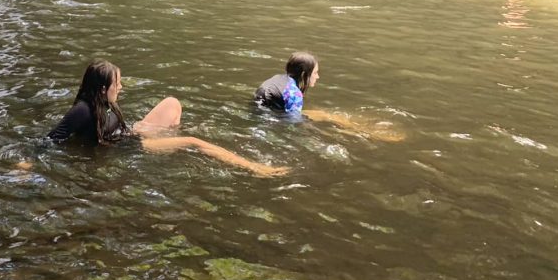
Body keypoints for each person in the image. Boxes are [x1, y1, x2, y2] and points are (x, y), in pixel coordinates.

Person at [48, 60, 289, 176]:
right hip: (129, 148)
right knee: (194, 142)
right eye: (117, 83)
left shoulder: (103, 101)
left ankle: (169, 140)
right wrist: (25, 164)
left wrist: (134, 128)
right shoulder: (82, 110)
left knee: (172, 103)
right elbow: (50, 139)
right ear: (102, 89)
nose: (120, 87)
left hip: (129, 134)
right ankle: (254, 167)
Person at [254, 53, 403, 140]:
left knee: (319, 116)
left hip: (259, 110)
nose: (318, 77)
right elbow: (294, 124)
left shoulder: (280, 78)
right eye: (315, 73)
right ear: (305, 75)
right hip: (268, 121)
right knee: (322, 128)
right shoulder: (293, 93)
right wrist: (327, 134)